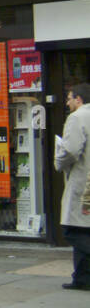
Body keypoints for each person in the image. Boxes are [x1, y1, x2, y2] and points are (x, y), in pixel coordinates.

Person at [55, 83, 90, 291]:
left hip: (84, 181)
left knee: (71, 229)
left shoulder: (77, 118)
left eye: (69, 98)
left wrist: (58, 162)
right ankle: (82, 278)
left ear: (79, 99)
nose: (67, 103)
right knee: (84, 229)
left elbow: (71, 150)